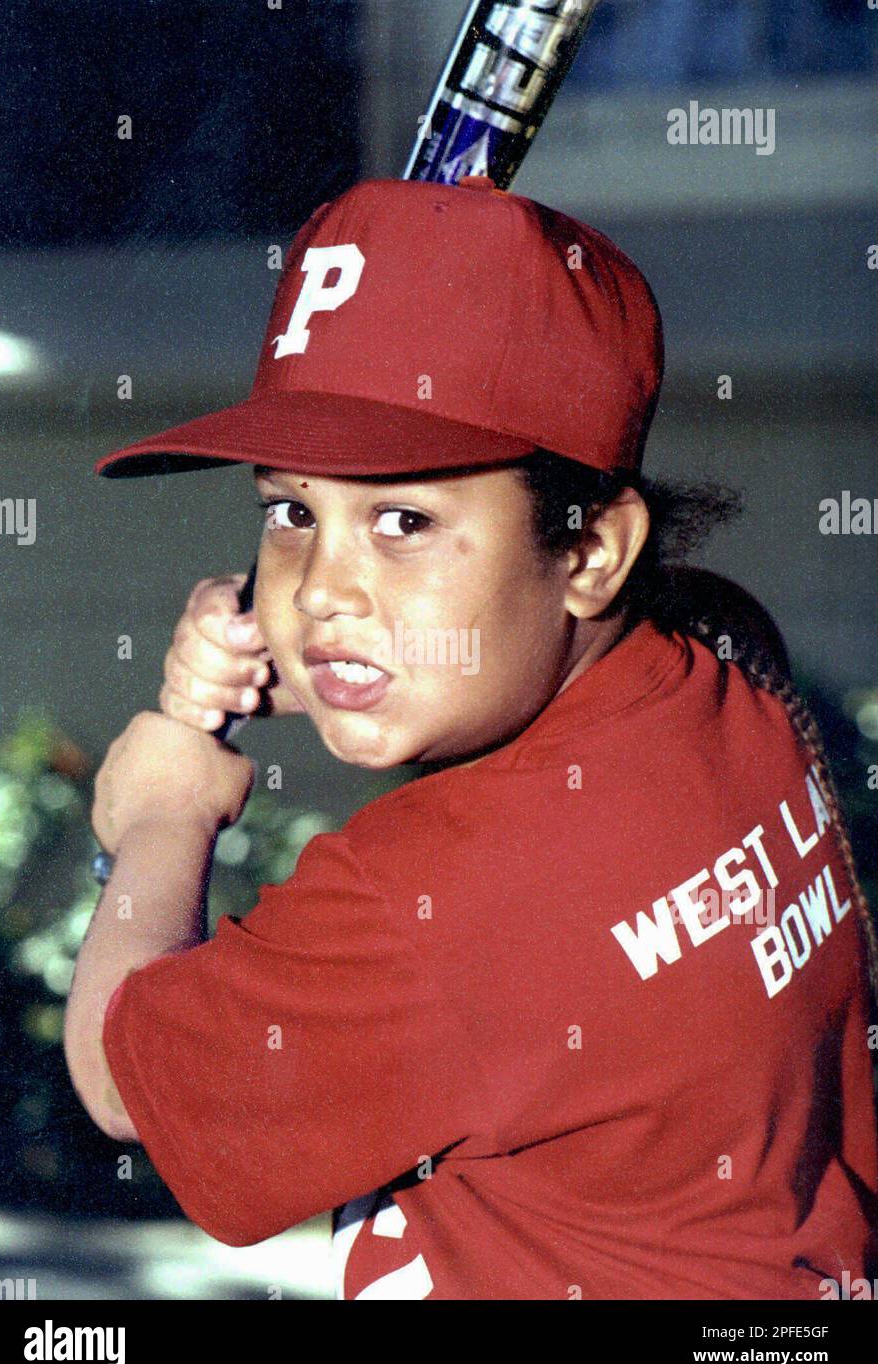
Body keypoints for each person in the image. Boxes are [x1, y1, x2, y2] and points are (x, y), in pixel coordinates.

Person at [64, 177, 878, 1300]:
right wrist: (322, 669)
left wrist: (159, 812)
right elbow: (673, 621)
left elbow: (122, 1072)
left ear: (593, 550)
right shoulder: (727, 689)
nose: (319, 594)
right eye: (292, 511)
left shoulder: (435, 900)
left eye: (405, 520)